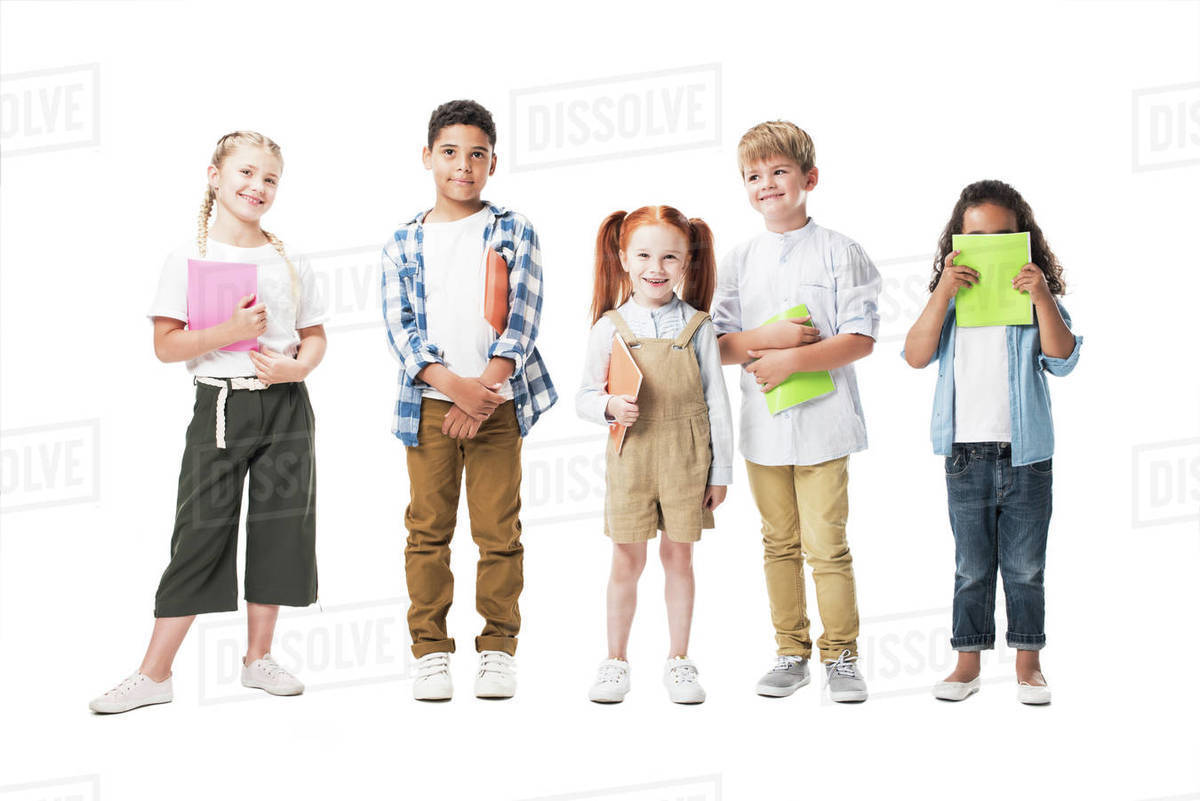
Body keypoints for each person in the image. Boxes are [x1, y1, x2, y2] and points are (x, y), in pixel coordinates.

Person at [90, 131, 328, 714]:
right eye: (246, 173)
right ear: (215, 176)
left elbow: (316, 337)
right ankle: (154, 673)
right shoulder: (189, 258)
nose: (257, 187)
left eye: (270, 179)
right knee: (199, 532)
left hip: (286, 408)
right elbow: (166, 347)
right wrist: (228, 333)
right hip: (219, 407)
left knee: (279, 528)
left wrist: (294, 368)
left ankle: (257, 660)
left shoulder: (290, 259)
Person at [380, 100, 557, 701]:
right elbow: (401, 330)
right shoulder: (404, 240)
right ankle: (430, 650)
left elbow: (524, 321)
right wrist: (457, 390)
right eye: (450, 152)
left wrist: (485, 393)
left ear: (493, 162)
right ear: (428, 156)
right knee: (428, 529)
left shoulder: (512, 229)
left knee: (498, 529)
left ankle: (498, 647)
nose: (463, 166)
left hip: (500, 403)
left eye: (477, 154)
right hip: (431, 405)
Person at [711, 120, 880, 703]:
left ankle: (842, 654)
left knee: (826, 545)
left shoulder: (841, 251)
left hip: (823, 429)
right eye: (753, 176)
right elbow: (720, 346)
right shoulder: (737, 260)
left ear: (810, 177)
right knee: (776, 542)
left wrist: (793, 358)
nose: (766, 184)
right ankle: (791, 650)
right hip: (763, 433)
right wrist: (771, 338)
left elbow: (860, 338)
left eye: (779, 171)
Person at [903, 179, 1081, 705]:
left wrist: (1043, 296)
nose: (989, 244)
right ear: (957, 242)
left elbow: (1064, 358)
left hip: (1027, 456)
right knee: (971, 566)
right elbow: (915, 355)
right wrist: (943, 293)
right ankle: (967, 663)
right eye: (976, 236)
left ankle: (1029, 665)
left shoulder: (1034, 299)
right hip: (965, 455)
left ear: (1022, 239)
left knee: (1026, 568)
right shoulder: (952, 303)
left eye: (1002, 236)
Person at [577, 206, 733, 704]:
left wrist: (720, 472)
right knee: (626, 558)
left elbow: (717, 405)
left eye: (670, 257)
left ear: (687, 262)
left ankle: (680, 660)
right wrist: (608, 405)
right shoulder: (609, 326)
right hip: (632, 455)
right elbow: (583, 395)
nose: (656, 267)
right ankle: (615, 660)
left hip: (688, 457)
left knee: (679, 556)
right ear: (624, 258)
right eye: (644, 254)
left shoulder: (698, 326)